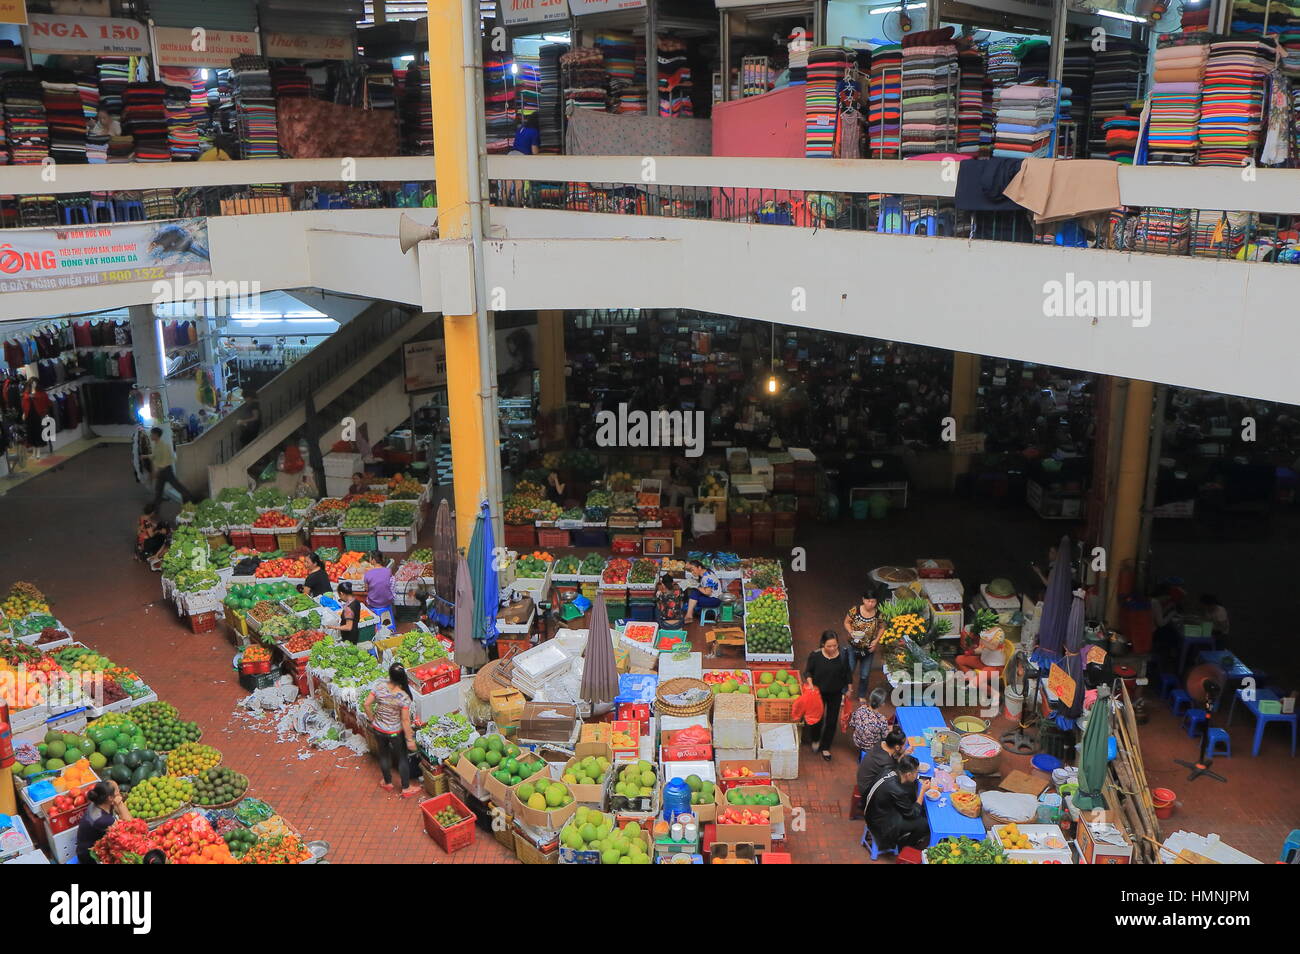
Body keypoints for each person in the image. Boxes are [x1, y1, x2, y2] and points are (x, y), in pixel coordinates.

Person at [363, 663, 420, 797]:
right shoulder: (403, 697)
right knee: (402, 758)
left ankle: (387, 782)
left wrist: (372, 719)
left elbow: (366, 704)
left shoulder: (379, 686)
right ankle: (405, 788)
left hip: (378, 729)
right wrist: (410, 740)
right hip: (395, 732)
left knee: (384, 755)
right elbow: (405, 721)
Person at [865, 754, 931, 852]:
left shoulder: (889, 769)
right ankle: (904, 846)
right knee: (924, 824)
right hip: (880, 822)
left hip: (873, 809)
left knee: (911, 793)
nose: (917, 775)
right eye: (916, 772)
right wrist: (922, 792)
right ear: (908, 774)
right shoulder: (897, 790)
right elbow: (913, 813)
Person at [805, 630, 852, 761]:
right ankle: (815, 739)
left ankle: (826, 746)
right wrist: (810, 684)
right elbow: (808, 672)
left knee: (831, 721)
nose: (832, 649)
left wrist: (849, 687)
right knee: (817, 718)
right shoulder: (815, 656)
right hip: (818, 693)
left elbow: (847, 671)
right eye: (829, 646)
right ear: (822, 644)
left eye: (835, 646)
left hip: (835, 692)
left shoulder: (843, 654)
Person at [843, 585, 888, 700]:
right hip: (852, 647)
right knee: (849, 670)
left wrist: (876, 641)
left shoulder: (879, 615)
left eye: (873, 602)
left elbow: (882, 627)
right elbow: (846, 622)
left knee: (865, 674)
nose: (870, 604)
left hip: (868, 649)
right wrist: (850, 631)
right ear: (863, 600)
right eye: (868, 601)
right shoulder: (855, 610)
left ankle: (862, 695)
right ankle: (844, 693)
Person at [76, 780, 132, 864]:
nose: (119, 793)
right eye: (117, 792)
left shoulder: (99, 802)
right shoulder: (102, 819)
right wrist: (119, 803)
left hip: (89, 844)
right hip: (89, 856)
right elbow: (130, 824)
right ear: (110, 798)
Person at [856, 725, 909, 799]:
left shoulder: (882, 743)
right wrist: (902, 756)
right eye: (905, 745)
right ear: (897, 747)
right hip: (867, 791)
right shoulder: (886, 762)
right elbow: (895, 776)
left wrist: (902, 754)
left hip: (863, 780)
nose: (906, 747)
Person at [149, 426, 192, 507]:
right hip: (162, 471)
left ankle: (190, 499)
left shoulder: (163, 446)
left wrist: (155, 472)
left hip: (166, 470)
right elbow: (154, 455)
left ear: (156, 435)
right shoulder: (157, 445)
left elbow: (164, 463)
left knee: (178, 487)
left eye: (151, 434)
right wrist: (145, 456)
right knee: (159, 489)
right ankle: (155, 506)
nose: (150, 436)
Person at [848, 686, 894, 756]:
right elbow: (885, 736)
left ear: (870, 698)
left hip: (857, 740)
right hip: (870, 746)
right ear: (882, 704)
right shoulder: (881, 719)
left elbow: (852, 724)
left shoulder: (861, 709)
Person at [683, 559, 722, 624]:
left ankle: (689, 616)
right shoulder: (706, 572)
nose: (692, 572)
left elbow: (708, 592)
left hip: (714, 600)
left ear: (699, 567)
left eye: (693, 569)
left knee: (693, 598)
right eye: (691, 570)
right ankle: (689, 616)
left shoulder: (707, 577)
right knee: (694, 594)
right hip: (712, 597)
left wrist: (696, 586)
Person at [364, 552, 395, 631]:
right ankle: (390, 626)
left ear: (373, 560)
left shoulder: (368, 574)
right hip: (387, 601)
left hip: (374, 603)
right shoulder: (388, 571)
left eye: (370, 558)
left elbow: (366, 589)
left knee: (365, 598)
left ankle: (375, 626)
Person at [22, 378, 50, 460]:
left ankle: (38, 452)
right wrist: (24, 413)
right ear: (30, 384)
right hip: (29, 416)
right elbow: (24, 403)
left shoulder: (40, 393)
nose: (34, 384)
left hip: (37, 415)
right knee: (31, 433)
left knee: (37, 432)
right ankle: (34, 452)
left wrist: (34, 396)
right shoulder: (26, 393)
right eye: (32, 383)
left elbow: (45, 402)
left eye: (35, 383)